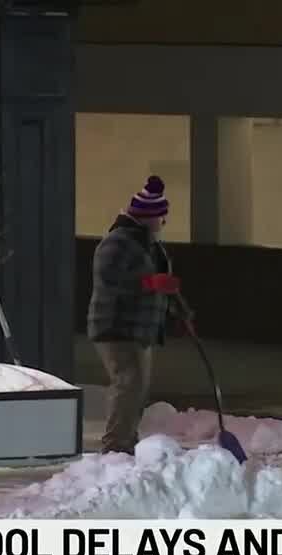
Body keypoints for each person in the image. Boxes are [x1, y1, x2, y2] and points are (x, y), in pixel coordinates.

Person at [87, 175, 183, 455]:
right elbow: (109, 276)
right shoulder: (118, 241)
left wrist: (177, 307)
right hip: (116, 326)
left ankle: (125, 441)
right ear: (148, 217)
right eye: (161, 218)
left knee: (136, 387)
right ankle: (116, 447)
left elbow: (156, 280)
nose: (163, 224)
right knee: (128, 384)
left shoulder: (145, 244)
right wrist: (148, 282)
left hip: (138, 328)